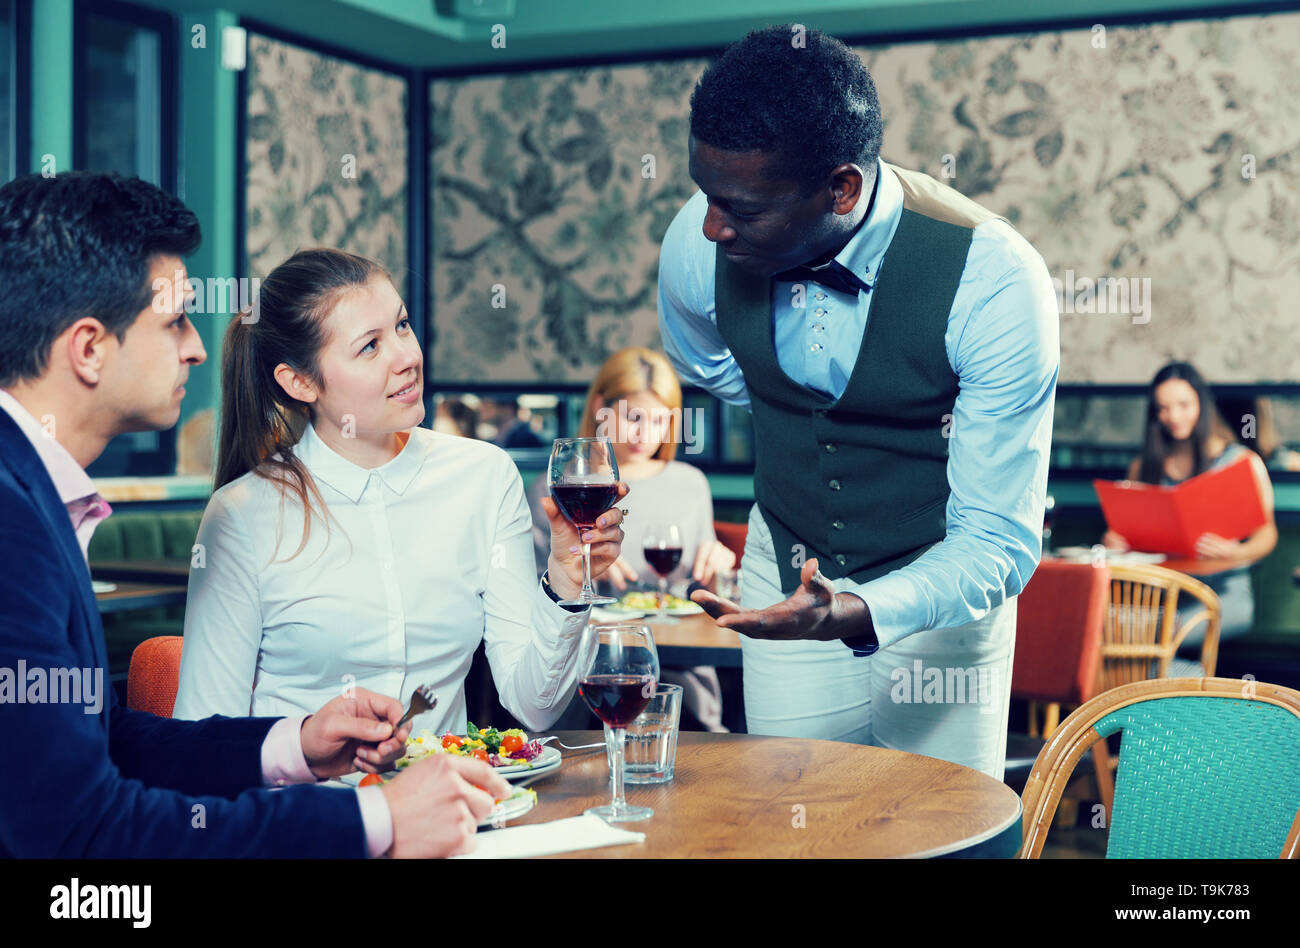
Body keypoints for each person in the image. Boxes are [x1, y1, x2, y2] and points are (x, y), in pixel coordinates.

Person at [0, 170, 512, 857]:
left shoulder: (31, 495)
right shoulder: (11, 523)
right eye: (175, 319)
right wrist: (375, 824)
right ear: (89, 349)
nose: (198, 346)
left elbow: (101, 740)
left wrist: (293, 743)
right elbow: (83, 832)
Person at [657, 27, 1059, 779]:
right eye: (707, 195)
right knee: (792, 819)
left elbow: (999, 542)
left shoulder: (995, 280)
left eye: (740, 207)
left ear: (842, 188)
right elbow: (711, 364)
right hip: (785, 573)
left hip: (942, 588)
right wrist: (802, 408)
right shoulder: (700, 236)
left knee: (940, 826)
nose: (712, 226)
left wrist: (859, 609)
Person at [172, 248, 627, 737]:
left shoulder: (483, 476)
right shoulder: (241, 514)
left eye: (403, 326)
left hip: (449, 803)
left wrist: (565, 577)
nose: (407, 357)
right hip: (310, 807)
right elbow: (202, 736)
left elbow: (533, 707)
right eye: (370, 346)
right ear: (300, 381)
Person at [526, 346, 735, 730]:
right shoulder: (557, 488)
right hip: (588, 665)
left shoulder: (690, 483)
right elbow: (534, 600)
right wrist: (582, 566)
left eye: (659, 421)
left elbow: (695, 590)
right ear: (602, 409)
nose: (646, 434)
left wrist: (718, 564)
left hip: (677, 668)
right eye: (634, 418)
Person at [1102, 361, 1277, 667]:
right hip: (1164, 595)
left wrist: (1236, 551)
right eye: (1163, 408)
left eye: (1184, 405)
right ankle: (1193, 684)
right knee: (1108, 629)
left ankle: (1187, 688)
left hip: (1224, 595)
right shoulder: (1143, 467)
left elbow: (1267, 533)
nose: (1174, 417)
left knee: (1151, 640)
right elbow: (1134, 538)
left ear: (1201, 405)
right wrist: (1118, 542)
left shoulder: (1241, 462)